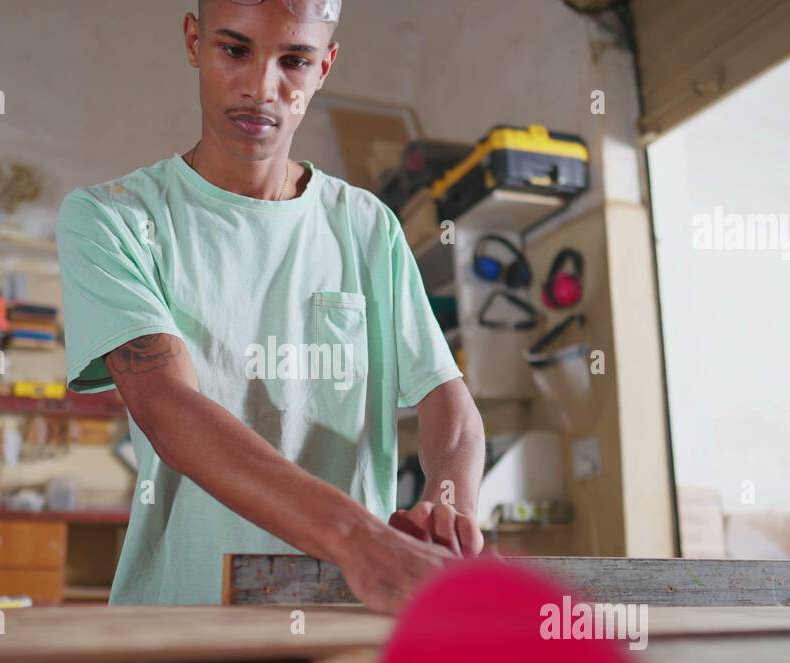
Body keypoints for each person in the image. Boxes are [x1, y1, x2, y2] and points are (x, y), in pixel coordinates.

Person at [58, 0, 485, 613]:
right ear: (192, 40)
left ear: (324, 68)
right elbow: (169, 409)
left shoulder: (368, 226)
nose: (262, 89)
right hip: (184, 617)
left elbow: (450, 404)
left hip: (350, 611)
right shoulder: (114, 219)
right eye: (235, 50)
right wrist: (361, 539)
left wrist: (449, 510)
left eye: (294, 60)